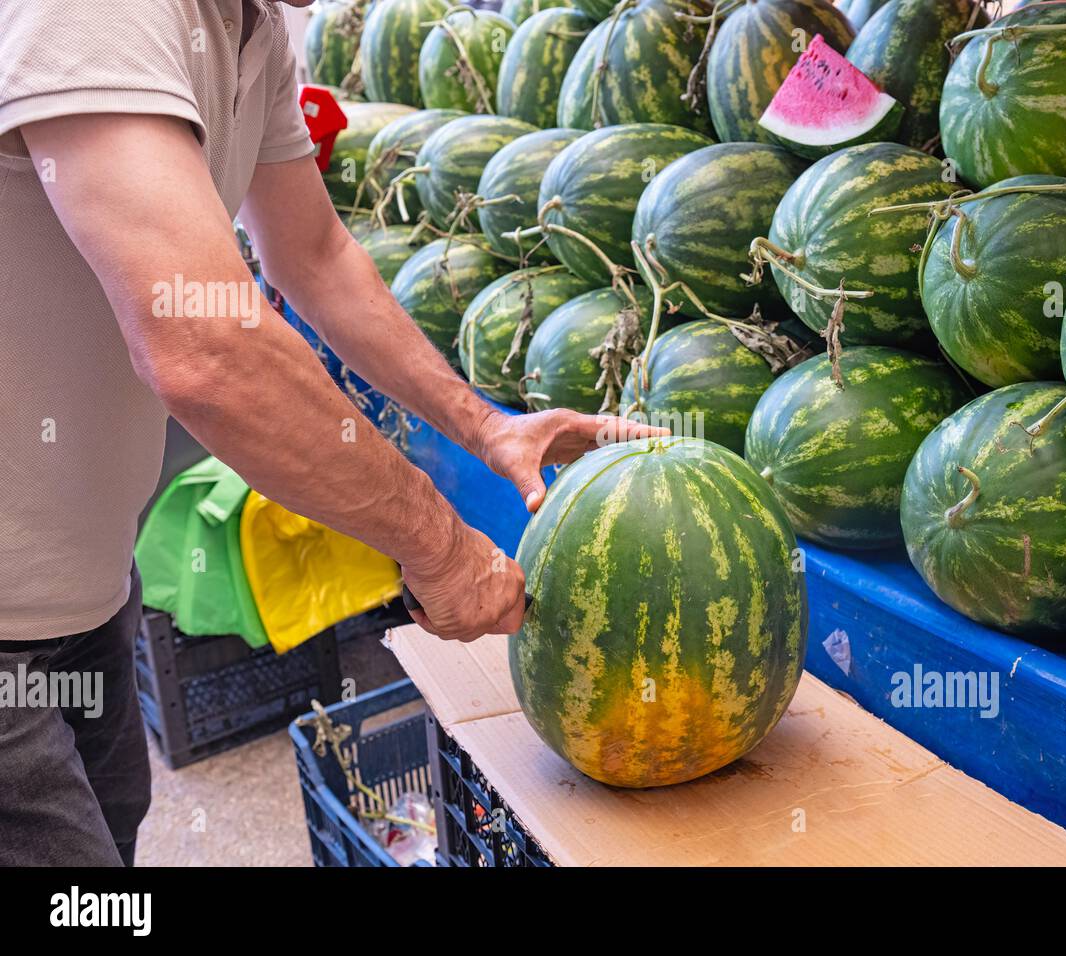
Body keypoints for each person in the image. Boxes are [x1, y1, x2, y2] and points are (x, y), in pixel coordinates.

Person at [0, 0, 661, 866]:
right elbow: (207, 347)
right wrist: (442, 546)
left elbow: (314, 255)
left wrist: (488, 428)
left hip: (81, 586)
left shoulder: (253, 29)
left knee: (113, 840)